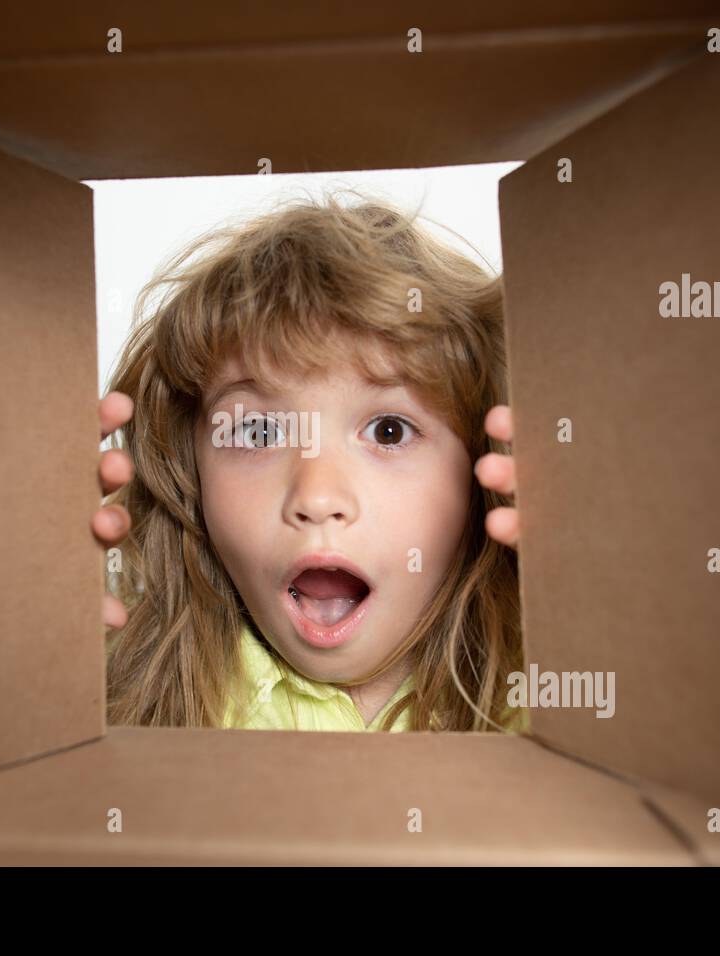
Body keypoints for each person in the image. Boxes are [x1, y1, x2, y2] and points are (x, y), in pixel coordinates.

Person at [91, 192, 525, 734]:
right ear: (189, 472)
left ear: (481, 468)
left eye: (389, 431)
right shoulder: (111, 680)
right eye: (257, 431)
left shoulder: (548, 689)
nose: (317, 497)